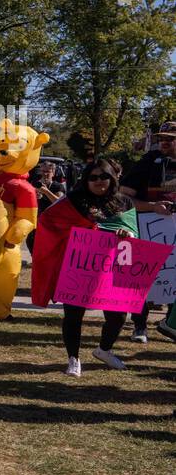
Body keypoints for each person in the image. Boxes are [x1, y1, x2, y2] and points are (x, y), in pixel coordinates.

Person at [31, 157, 137, 375]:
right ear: (86, 180)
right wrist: (84, 231)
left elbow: (133, 232)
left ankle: (104, 350)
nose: (99, 181)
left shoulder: (124, 203)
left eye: (104, 176)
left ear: (113, 178)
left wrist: (128, 234)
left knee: (118, 315)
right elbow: (48, 221)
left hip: (112, 268)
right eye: (94, 177)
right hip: (78, 265)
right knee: (73, 314)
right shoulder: (73, 200)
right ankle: (73, 358)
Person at [121, 123, 176, 343]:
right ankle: (139, 327)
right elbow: (123, 198)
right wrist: (152, 206)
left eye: (170, 138)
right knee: (142, 277)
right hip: (149, 227)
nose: (164, 142)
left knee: (173, 276)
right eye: (161, 138)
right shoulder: (147, 163)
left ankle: (170, 325)